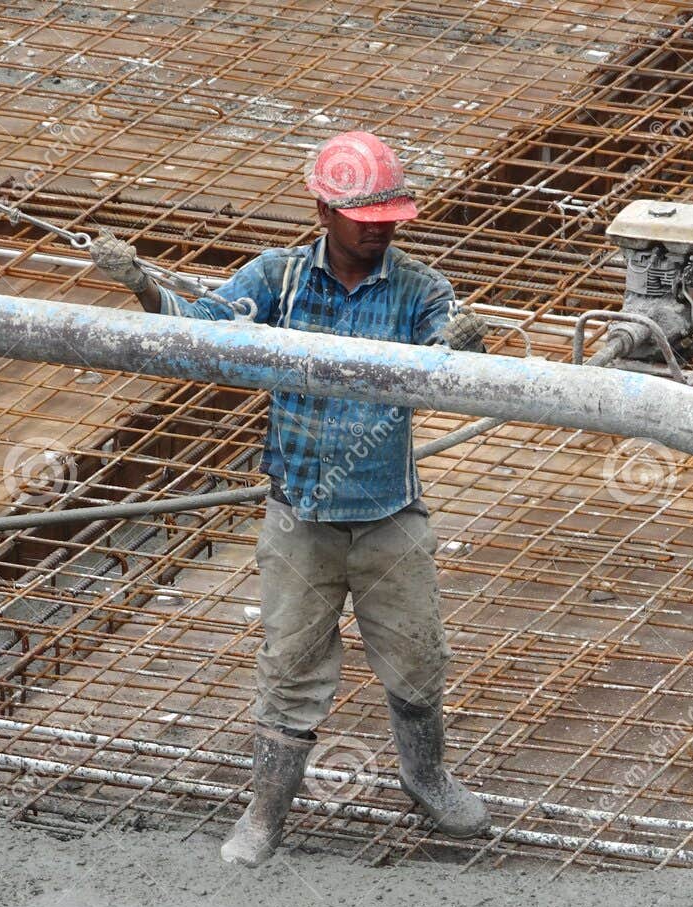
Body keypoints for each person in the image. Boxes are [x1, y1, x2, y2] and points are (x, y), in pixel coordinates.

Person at [91, 130, 493, 867]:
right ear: (324, 210)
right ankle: (265, 814)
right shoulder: (276, 282)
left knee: (417, 657)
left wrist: (460, 348)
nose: (380, 231)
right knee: (290, 665)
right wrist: (143, 285)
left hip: (388, 518)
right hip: (300, 518)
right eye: (364, 219)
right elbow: (202, 336)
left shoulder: (419, 289)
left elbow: (448, 353)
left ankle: (426, 776)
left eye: (389, 220)